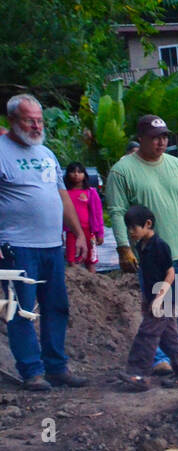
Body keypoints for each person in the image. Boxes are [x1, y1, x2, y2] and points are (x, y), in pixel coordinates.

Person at [105, 115, 178, 373]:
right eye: (155, 138)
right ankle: (159, 358)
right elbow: (117, 211)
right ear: (141, 139)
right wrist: (123, 247)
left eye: (164, 137)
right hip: (151, 254)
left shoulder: (177, 166)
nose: (161, 142)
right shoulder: (122, 171)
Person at [0, 94, 89, 390]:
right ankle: (32, 372)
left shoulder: (46, 153)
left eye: (39, 120)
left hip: (51, 245)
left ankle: (56, 367)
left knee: (56, 307)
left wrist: (77, 233)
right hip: (17, 246)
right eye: (30, 120)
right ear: (13, 120)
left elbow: (62, 195)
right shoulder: (1, 151)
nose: (37, 126)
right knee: (22, 309)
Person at [120, 205, 178, 391]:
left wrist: (160, 298)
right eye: (128, 228)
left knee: (147, 335)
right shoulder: (141, 246)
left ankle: (139, 375)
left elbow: (170, 273)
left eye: (134, 228)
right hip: (153, 298)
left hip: (163, 299)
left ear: (148, 224)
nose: (131, 232)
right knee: (168, 338)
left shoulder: (160, 246)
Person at [63, 163, 103, 271]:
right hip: (71, 231)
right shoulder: (64, 193)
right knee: (72, 259)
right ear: (67, 174)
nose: (76, 175)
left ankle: (92, 283)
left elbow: (98, 213)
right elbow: (61, 213)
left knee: (90, 261)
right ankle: (78, 283)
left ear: (84, 174)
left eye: (79, 172)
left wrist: (100, 233)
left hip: (89, 231)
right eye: (73, 172)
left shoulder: (90, 192)